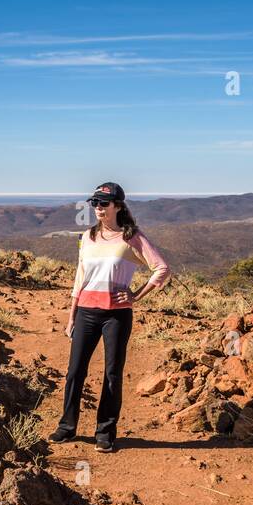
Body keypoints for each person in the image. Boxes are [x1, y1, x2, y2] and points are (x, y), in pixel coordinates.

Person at [50, 181, 171, 452]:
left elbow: (161, 269)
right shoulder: (88, 237)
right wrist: (71, 316)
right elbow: (79, 278)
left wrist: (136, 295)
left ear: (118, 206)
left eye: (103, 204)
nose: (98, 209)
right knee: (74, 372)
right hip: (85, 313)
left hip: (116, 316)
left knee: (112, 374)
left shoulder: (131, 238)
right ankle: (67, 427)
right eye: (94, 203)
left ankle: (105, 431)